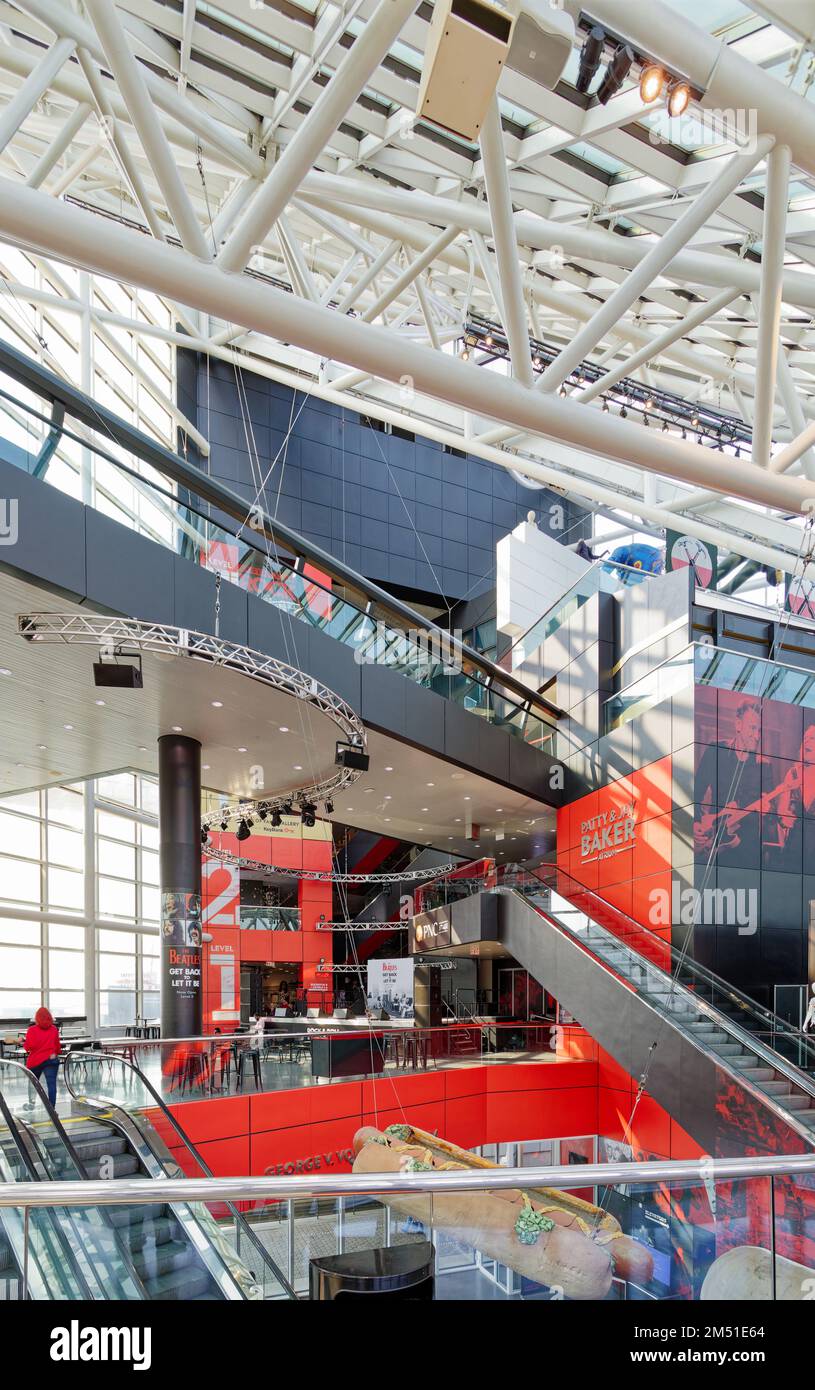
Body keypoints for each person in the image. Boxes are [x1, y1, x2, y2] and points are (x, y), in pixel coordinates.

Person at [23, 1006, 60, 1107]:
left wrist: (24, 1043)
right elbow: (57, 1046)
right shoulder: (54, 1029)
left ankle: (31, 1104)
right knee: (51, 1084)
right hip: (51, 1060)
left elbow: (29, 1047)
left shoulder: (32, 1030)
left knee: (33, 1084)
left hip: (36, 1062)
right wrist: (55, 1053)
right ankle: (52, 1109)